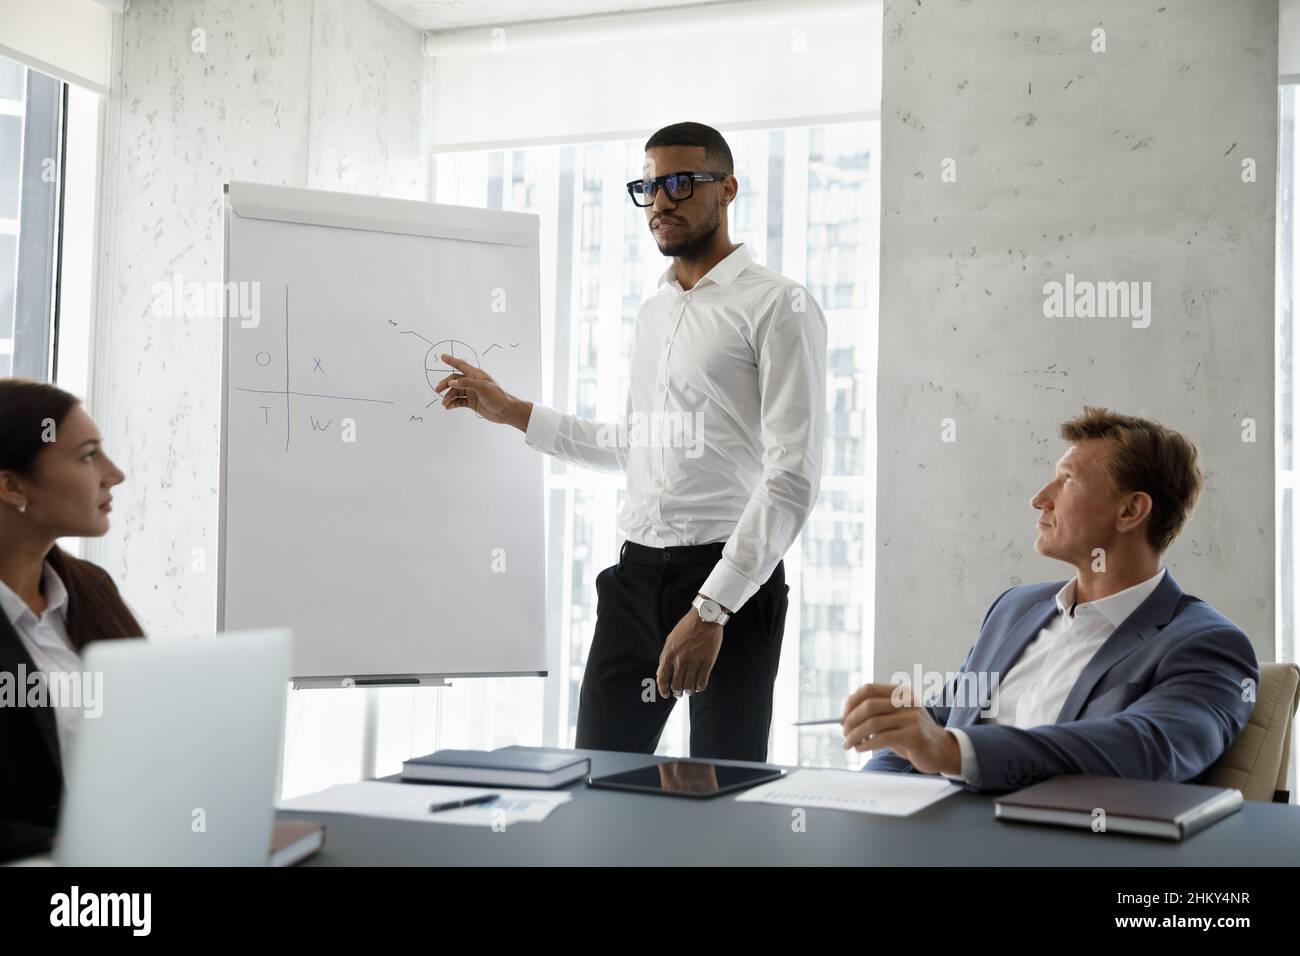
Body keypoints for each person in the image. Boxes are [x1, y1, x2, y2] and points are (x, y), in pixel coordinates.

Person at [433, 121, 827, 760]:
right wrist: (512, 411)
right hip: (635, 579)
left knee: (723, 792)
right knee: (599, 777)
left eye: (679, 183)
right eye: (648, 188)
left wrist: (713, 609)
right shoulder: (655, 310)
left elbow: (793, 474)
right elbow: (632, 446)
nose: (661, 202)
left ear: (726, 189)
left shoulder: (780, 306)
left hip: (731, 581)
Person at [847, 406, 1259, 790]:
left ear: (1131, 511)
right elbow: (936, 723)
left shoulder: (1207, 645)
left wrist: (954, 752)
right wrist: (870, 799)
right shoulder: (1015, 609)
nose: (1040, 498)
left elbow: (1150, 748)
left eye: (1068, 480)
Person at [0, 378, 143, 860]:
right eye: (87, 456)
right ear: (11, 485)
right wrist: (68, 845)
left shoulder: (91, 590)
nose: (114, 474)